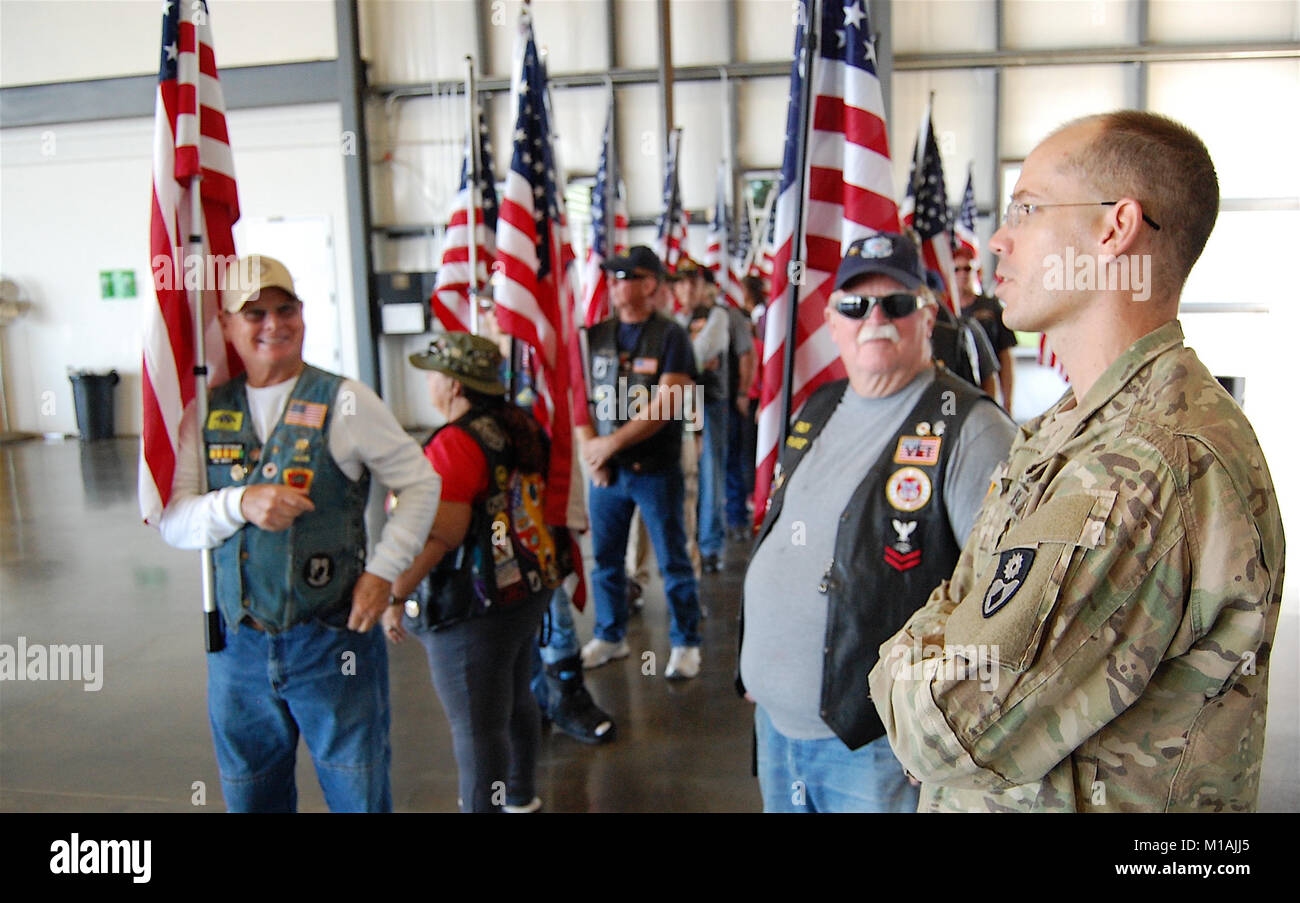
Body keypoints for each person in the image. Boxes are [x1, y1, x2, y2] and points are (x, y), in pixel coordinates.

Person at [869, 111, 1285, 812]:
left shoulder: (1145, 461)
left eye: (1027, 208)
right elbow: (967, 608)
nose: (998, 239)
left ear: (1114, 228)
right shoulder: (1071, 424)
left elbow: (945, 729)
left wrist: (900, 670)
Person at [738, 233, 1016, 813]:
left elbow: (1006, 601)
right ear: (832, 322)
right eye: (855, 305)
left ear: (929, 314)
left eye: (896, 303)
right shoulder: (817, 407)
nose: (874, 319)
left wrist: (948, 731)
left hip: (878, 747)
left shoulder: (971, 427)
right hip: (776, 729)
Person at [159, 254, 440, 813]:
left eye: (285, 309)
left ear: (303, 314)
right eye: (255, 313)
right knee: (250, 796)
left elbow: (421, 482)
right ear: (226, 324)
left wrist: (385, 571)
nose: (273, 324)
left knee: (357, 790)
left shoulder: (347, 401)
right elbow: (174, 521)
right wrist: (240, 502)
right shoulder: (206, 411)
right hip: (237, 648)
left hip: (331, 639)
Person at [382, 331, 557, 812]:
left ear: (456, 385)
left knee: (476, 728)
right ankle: (519, 794)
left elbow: (445, 533)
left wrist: (395, 596)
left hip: (475, 603)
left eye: (435, 376)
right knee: (517, 696)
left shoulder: (456, 443)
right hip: (529, 583)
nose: (430, 386)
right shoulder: (519, 420)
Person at [578, 245, 704, 680]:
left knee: (673, 560)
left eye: (623, 277)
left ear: (649, 284)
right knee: (606, 561)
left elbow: (666, 404)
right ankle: (610, 636)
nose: (613, 285)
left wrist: (607, 445)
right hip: (606, 474)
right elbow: (581, 401)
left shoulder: (671, 337)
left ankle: (687, 643)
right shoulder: (594, 336)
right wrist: (592, 450)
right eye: (611, 278)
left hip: (654, 471)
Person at [676, 258, 730, 573]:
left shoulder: (718, 315)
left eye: (692, 282)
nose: (686, 289)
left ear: (705, 286)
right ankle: (690, 542)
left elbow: (699, 353)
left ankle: (711, 545)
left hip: (708, 401)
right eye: (681, 283)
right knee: (686, 475)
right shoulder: (675, 320)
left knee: (710, 474)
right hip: (682, 403)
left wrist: (676, 358)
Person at [953, 244, 1017, 411]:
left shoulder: (991, 306)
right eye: (956, 269)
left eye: (967, 269)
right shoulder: (945, 312)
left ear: (976, 271)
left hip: (987, 383)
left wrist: (1007, 403)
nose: (961, 274)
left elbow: (1005, 356)